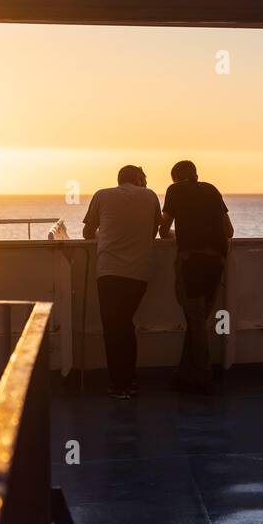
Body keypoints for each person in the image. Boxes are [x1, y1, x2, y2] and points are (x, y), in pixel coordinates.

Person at [83, 165, 161, 399]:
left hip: (109, 271)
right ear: (137, 178)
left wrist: (105, 235)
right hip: (138, 273)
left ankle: (119, 384)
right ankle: (131, 381)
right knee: (125, 324)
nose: (146, 182)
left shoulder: (102, 195)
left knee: (113, 328)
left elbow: (88, 232)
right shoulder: (150, 196)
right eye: (144, 178)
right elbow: (154, 231)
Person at [159, 160, 233, 394]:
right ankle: (185, 374)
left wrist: (175, 233)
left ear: (174, 178)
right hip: (216, 262)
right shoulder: (211, 189)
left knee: (196, 319)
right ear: (196, 175)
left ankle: (203, 376)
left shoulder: (175, 190)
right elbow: (229, 231)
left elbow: (163, 229)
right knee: (197, 320)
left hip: (191, 261)